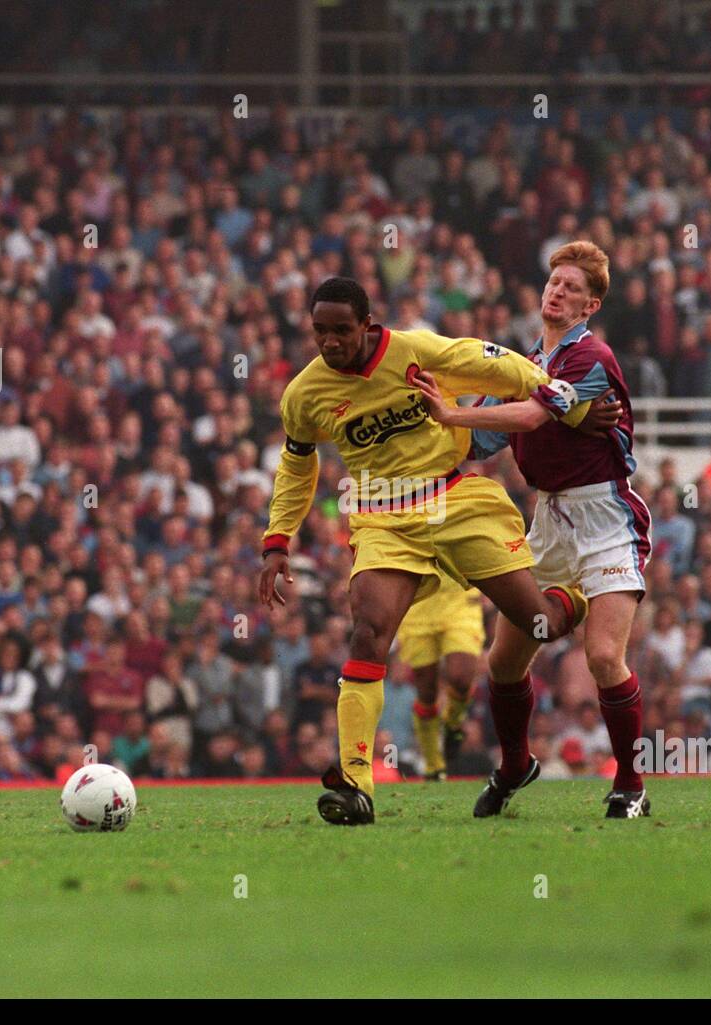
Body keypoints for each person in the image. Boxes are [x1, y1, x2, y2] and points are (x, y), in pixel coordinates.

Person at [258, 277, 616, 825]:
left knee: (540, 623)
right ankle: (356, 783)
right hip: (383, 517)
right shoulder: (304, 395)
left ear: (367, 325)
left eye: (341, 330)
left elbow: (497, 365)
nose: (329, 342)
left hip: (454, 498)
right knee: (368, 629)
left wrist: (564, 407)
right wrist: (277, 541)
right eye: (319, 331)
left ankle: (584, 595)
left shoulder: (415, 350)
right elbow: (297, 463)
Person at [414, 240, 655, 819]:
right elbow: (479, 442)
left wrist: (452, 412)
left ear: (589, 305)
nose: (557, 291)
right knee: (502, 663)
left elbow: (528, 415)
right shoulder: (522, 364)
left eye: (572, 287)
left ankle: (629, 783)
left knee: (602, 657)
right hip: (548, 518)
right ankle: (516, 765)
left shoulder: (590, 358)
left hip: (605, 517)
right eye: (554, 281)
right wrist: (416, 429)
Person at [393, 577, 485, 780]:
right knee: (426, 692)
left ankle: (453, 722)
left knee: (461, 678)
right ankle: (433, 764)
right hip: (418, 605)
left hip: (459, 600)